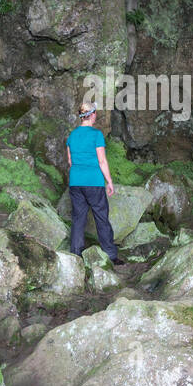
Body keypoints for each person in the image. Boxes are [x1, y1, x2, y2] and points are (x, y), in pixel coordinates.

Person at [66, 102, 123, 265]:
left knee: (78, 219)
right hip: (93, 182)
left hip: (75, 182)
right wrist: (109, 181)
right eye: (95, 112)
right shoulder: (96, 135)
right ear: (91, 115)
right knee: (101, 217)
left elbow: (70, 161)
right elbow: (102, 161)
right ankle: (111, 255)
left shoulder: (72, 136)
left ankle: (75, 256)